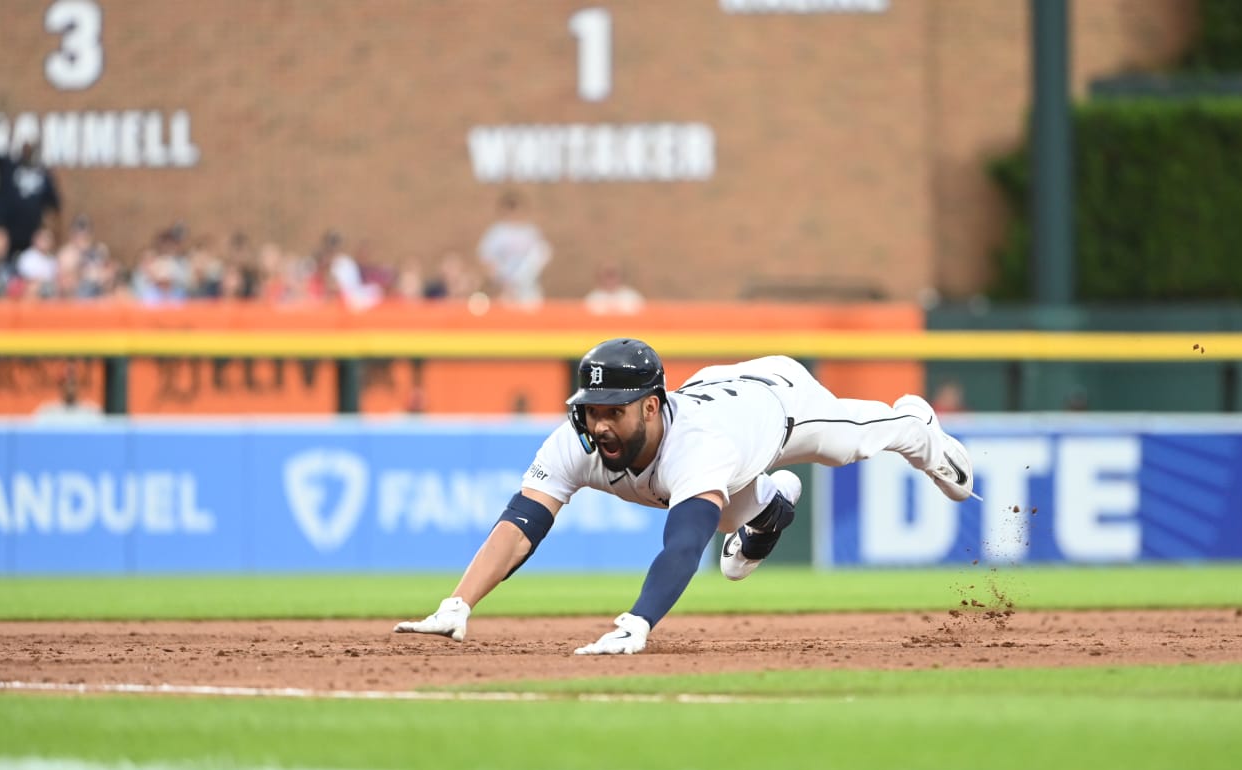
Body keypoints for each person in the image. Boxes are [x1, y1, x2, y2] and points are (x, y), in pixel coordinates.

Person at [394, 338, 976, 655]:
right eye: (590, 410)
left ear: (649, 406)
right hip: (718, 399)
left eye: (612, 411)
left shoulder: (698, 449)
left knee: (851, 445)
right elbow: (522, 521)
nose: (598, 425)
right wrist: (459, 603)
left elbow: (683, 546)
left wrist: (640, 622)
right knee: (736, 526)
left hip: (777, 403)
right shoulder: (578, 444)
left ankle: (915, 425)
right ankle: (769, 510)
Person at [0, 141, 63, 258]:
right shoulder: (9, 166)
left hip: (31, 241)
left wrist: (47, 232)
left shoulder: (43, 175)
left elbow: (55, 206)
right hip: (6, 238)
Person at [476, 191, 551, 306]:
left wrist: (525, 276)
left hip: (528, 288)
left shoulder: (530, 231)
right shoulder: (497, 233)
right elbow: (486, 260)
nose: (514, 214)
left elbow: (542, 255)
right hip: (505, 287)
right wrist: (501, 281)